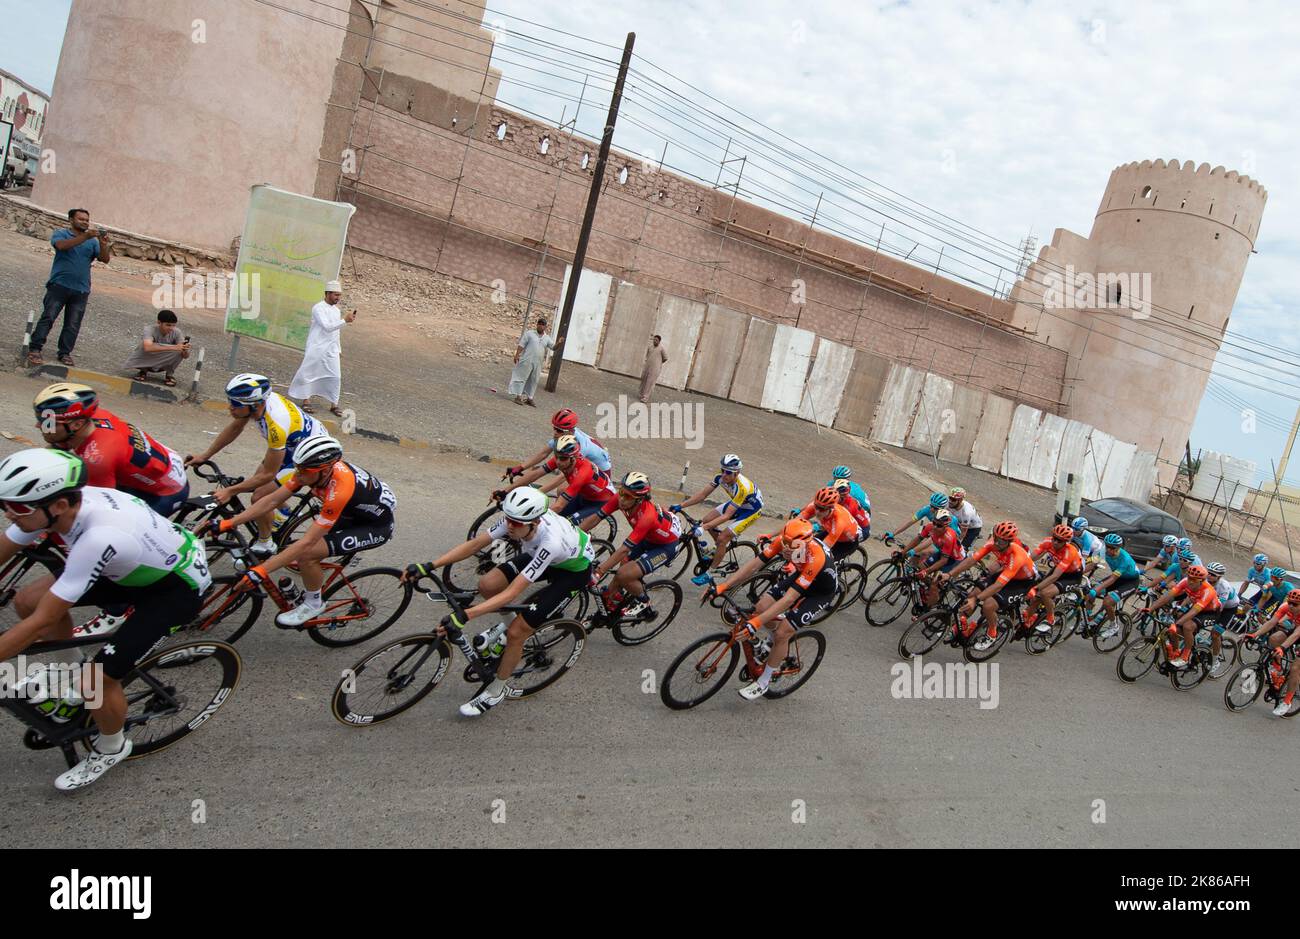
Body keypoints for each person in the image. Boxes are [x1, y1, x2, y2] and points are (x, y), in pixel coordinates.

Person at [0, 449, 211, 790]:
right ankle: (72, 674)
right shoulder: (52, 507)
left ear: (58, 505)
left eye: (17, 507)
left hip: (175, 590)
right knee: (27, 599)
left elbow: (43, 622)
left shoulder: (99, 534)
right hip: (131, 569)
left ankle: (112, 746)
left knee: (95, 682)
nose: (9, 514)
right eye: (3, 505)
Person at [403, 487, 595, 717]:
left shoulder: (549, 542)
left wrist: (466, 615)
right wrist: (430, 565)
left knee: (517, 633)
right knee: (488, 585)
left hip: (573, 572)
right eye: (509, 520)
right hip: (547, 555)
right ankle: (504, 628)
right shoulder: (518, 521)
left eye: (516, 523)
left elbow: (512, 593)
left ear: (534, 522)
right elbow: (476, 544)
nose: (510, 526)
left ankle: (496, 689)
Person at [201, 436, 395, 626]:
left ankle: (314, 603)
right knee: (294, 552)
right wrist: (230, 523)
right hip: (350, 513)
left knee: (307, 555)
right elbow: (272, 500)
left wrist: (261, 571)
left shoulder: (340, 490)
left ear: (326, 470)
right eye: (297, 467)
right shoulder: (310, 471)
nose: (298, 474)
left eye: (304, 470)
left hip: (374, 526)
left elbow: (307, 543)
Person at [183, 373, 323, 557]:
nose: (230, 407)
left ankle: (266, 544)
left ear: (255, 404)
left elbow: (268, 475)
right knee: (259, 483)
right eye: (230, 401)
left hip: (307, 457)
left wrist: (231, 491)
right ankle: (283, 511)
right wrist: (205, 455)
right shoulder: (256, 404)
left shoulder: (276, 425)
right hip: (293, 444)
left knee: (259, 497)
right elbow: (235, 427)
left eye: (235, 404)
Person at [707, 518, 837, 701]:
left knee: (783, 632)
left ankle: (763, 682)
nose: (785, 548)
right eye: (784, 542)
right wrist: (724, 586)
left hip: (820, 592)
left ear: (803, 544)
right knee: (761, 607)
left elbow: (789, 599)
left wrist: (756, 624)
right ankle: (770, 641)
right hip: (802, 576)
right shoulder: (786, 541)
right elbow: (754, 565)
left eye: (790, 546)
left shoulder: (816, 557)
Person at [33, 382, 189, 516]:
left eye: (47, 422)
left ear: (76, 424)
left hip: (165, 492)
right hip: (159, 464)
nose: (39, 426)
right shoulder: (92, 418)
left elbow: (99, 510)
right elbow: (56, 447)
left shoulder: (98, 459)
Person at [589, 472, 683, 617]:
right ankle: (613, 602)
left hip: (665, 547)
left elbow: (624, 549)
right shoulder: (621, 499)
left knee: (624, 574)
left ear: (639, 500)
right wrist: (573, 532)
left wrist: (599, 572)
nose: (621, 498)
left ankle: (644, 602)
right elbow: (596, 517)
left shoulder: (647, 516)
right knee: (621, 570)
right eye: (621, 492)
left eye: (627, 496)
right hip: (647, 538)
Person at [28, 208, 113, 367]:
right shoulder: (61, 234)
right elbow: (61, 246)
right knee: (48, 317)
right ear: (71, 220)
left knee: (73, 324)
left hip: (81, 289)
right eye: (81, 219)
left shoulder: (92, 241)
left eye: (87, 220)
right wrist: (84, 236)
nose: (85, 222)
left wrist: (103, 245)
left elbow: (105, 259)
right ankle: (35, 348)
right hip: (59, 285)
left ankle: (65, 353)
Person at [937, 520, 1039, 652]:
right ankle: (959, 627)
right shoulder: (993, 544)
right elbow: (971, 560)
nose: (996, 542)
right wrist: (950, 574)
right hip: (1007, 572)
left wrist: (977, 600)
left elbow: (998, 585)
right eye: (995, 537)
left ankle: (992, 633)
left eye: (1001, 541)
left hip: (1022, 581)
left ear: (1009, 542)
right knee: (972, 593)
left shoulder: (1016, 556)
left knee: (988, 605)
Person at [673, 453, 764, 586]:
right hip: (739, 503)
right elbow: (703, 495)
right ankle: (719, 550)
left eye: (728, 472)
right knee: (706, 519)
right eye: (722, 470)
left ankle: (711, 573)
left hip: (751, 510)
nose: (724, 474)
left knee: (722, 538)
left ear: (737, 473)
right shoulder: (720, 477)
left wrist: (703, 529)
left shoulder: (742, 488)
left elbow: (726, 516)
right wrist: (680, 505)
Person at [500, 434, 615, 528]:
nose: (558, 461)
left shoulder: (583, 472)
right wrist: (505, 491)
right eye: (557, 456)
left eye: (563, 458)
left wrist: (531, 518)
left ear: (573, 458)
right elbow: (536, 474)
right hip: (584, 495)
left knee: (567, 527)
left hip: (601, 502)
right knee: (555, 520)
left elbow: (559, 505)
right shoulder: (562, 458)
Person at [289, 280, 354, 416]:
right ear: (328, 293)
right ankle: (306, 401)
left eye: (339, 295)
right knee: (309, 373)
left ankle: (334, 404)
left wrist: (339, 349)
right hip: (317, 347)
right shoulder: (318, 308)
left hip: (331, 349)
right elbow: (327, 327)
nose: (338, 298)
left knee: (335, 376)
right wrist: (345, 321)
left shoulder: (336, 311)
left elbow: (336, 332)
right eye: (335, 295)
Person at [1142, 564, 1220, 670]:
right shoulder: (1185, 581)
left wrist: (1177, 623)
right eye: (1189, 578)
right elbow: (1167, 596)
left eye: (1194, 580)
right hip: (1197, 608)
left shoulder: (1208, 591)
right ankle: (1176, 651)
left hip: (1210, 612)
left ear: (1201, 581)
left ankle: (1185, 656)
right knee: (1173, 630)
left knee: (1187, 626)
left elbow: (1193, 612)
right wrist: (1150, 609)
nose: (1190, 581)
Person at [895, 507, 965, 608]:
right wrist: (903, 552)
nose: (935, 527)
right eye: (934, 522)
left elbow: (943, 561)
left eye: (939, 525)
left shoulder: (949, 537)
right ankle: (926, 590)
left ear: (946, 526)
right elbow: (918, 539)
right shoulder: (930, 527)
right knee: (920, 567)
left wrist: (926, 572)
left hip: (955, 559)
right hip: (943, 553)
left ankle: (929, 608)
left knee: (934, 583)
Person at [509, 408, 611, 476]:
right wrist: (520, 467)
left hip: (601, 469)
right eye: (554, 428)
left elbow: (566, 475)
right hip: (589, 464)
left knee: (562, 490)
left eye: (559, 430)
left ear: (570, 431)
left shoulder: (578, 445)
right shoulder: (565, 436)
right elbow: (543, 454)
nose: (555, 432)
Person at [1027, 523, 1085, 633]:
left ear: (1066, 542)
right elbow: (1031, 558)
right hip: (1059, 569)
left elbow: (1055, 577)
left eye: (1060, 541)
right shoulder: (1048, 542)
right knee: (1035, 598)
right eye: (1055, 538)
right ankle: (1028, 620)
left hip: (1072, 576)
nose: (1055, 542)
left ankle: (1050, 618)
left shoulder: (1070, 552)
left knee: (1044, 593)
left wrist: (1035, 588)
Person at [1087, 533, 1143, 639]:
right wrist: (1078, 574)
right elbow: (1092, 565)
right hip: (1117, 577)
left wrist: (1096, 590)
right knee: (1089, 592)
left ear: (1119, 548)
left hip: (1130, 582)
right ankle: (1089, 619)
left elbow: (1112, 579)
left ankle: (1114, 626)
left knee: (1108, 601)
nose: (1108, 550)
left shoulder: (1124, 559)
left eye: (1112, 548)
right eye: (1107, 546)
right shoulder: (1104, 551)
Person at [793, 486, 863, 561]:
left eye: (822, 509)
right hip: (831, 531)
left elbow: (822, 549)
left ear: (830, 509)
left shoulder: (839, 521)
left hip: (847, 543)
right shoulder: (819, 505)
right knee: (803, 551)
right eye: (816, 506)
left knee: (822, 562)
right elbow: (793, 524)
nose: (817, 511)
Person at [123, 309, 190, 385]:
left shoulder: (177, 332)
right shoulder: (149, 329)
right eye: (168, 325)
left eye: (173, 325)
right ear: (159, 322)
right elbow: (147, 347)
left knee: (179, 351)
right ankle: (143, 371)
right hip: (149, 357)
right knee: (143, 345)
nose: (171, 328)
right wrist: (174, 347)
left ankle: (169, 375)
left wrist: (185, 349)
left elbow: (186, 356)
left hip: (163, 363)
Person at [508, 317, 554, 406]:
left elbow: (553, 347)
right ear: (537, 325)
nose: (540, 326)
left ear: (545, 327)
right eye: (539, 324)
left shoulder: (547, 338)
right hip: (527, 360)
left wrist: (559, 343)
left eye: (542, 324)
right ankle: (518, 396)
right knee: (522, 377)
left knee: (534, 380)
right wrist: (517, 355)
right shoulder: (530, 334)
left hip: (538, 363)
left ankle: (530, 398)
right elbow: (521, 345)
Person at [883, 492, 960, 543]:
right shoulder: (927, 509)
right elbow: (910, 522)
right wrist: (893, 534)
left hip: (949, 538)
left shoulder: (950, 519)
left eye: (936, 508)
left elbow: (953, 538)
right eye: (931, 506)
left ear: (943, 508)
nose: (932, 509)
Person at [639, 334, 668, 403]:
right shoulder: (650, 347)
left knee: (650, 383)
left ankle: (645, 397)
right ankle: (641, 394)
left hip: (655, 369)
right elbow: (647, 355)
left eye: (656, 340)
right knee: (644, 380)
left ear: (659, 341)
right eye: (654, 340)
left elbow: (665, 358)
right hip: (647, 367)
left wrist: (658, 363)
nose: (655, 341)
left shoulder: (661, 349)